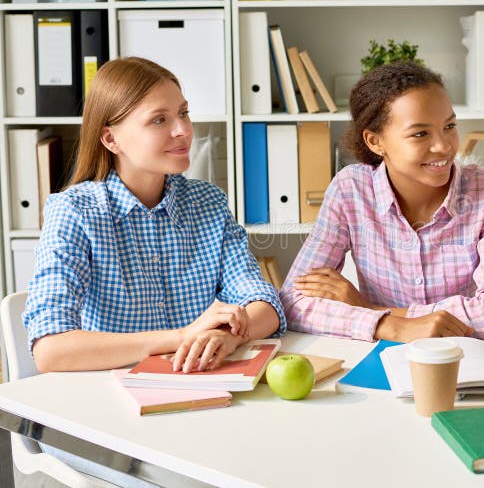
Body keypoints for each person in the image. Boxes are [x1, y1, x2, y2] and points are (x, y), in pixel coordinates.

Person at [23, 57, 286, 374]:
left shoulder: (209, 203)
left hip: (206, 388)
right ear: (110, 139)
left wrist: (228, 337)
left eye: (183, 113)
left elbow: (265, 305)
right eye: (159, 120)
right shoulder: (74, 212)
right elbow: (51, 349)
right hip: (113, 399)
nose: (183, 130)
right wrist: (181, 337)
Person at [280, 61, 484, 342]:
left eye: (449, 126)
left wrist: (370, 309)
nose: (444, 146)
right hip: (383, 355)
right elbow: (293, 302)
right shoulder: (351, 190)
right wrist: (392, 327)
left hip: (464, 358)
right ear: (375, 141)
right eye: (420, 133)